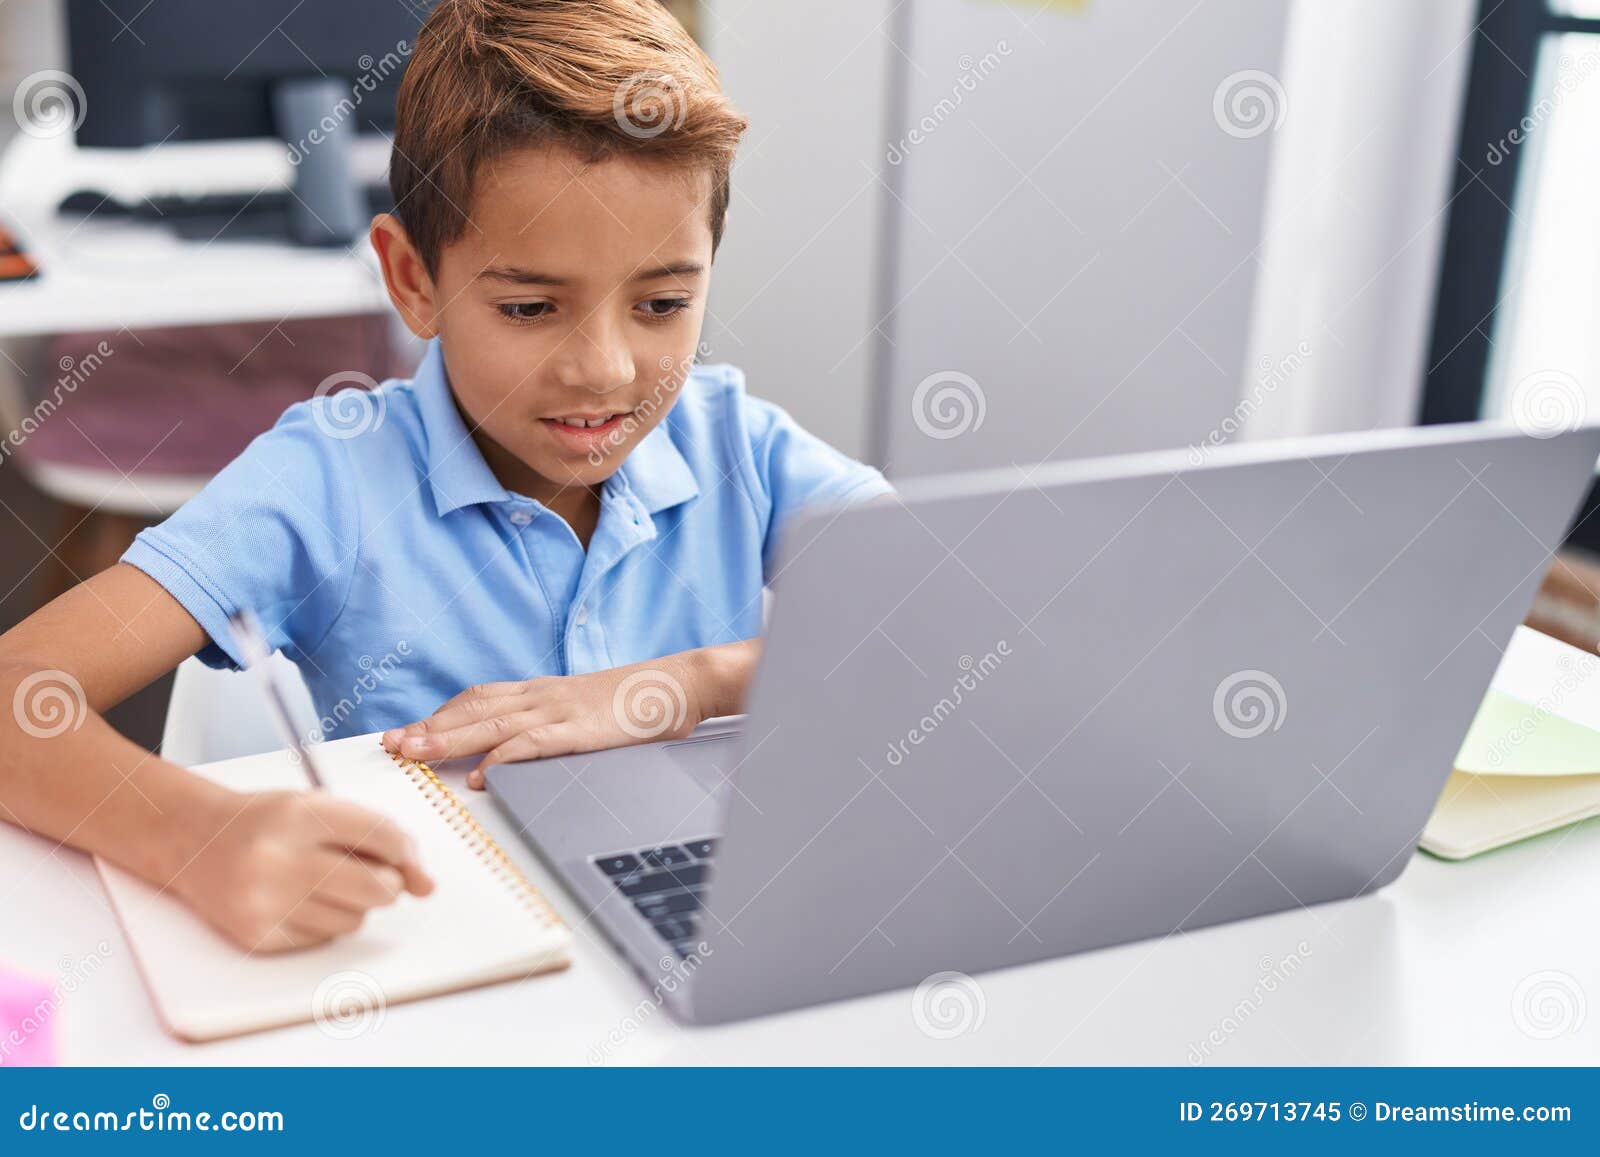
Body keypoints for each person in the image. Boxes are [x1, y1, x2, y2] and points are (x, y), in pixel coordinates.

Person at [0, 0, 889, 953]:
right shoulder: (331, 479)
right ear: (413, 279)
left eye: (663, 301)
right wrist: (200, 837)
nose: (605, 370)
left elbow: (959, 612)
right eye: (530, 308)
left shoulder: (740, 445)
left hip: (705, 924)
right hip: (445, 951)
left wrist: (690, 681)